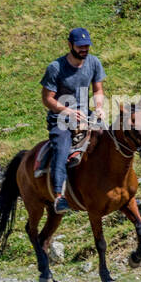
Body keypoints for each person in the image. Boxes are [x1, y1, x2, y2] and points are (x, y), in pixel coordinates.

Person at [40, 28, 106, 212]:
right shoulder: (56, 68)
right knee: (61, 148)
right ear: (70, 45)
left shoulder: (94, 62)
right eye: (80, 46)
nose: (84, 49)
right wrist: (67, 111)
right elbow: (47, 99)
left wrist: (99, 107)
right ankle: (59, 196)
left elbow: (98, 90)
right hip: (61, 119)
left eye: (87, 46)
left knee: (111, 138)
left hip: (87, 116)